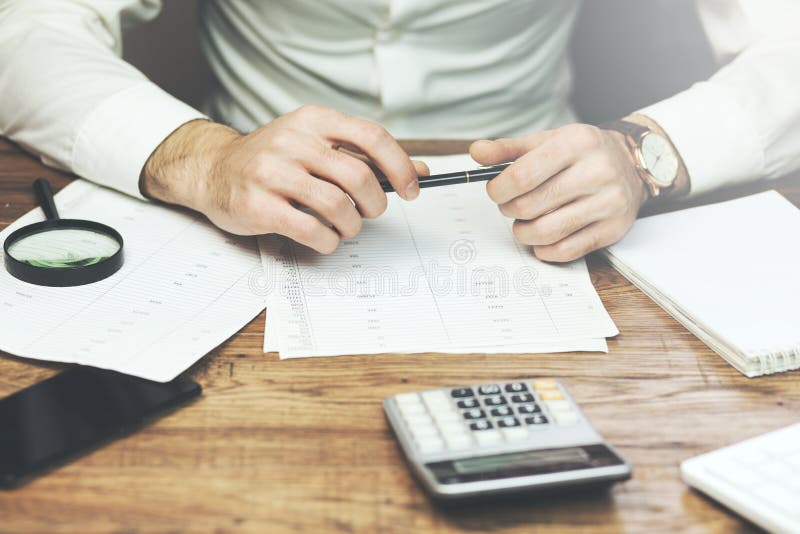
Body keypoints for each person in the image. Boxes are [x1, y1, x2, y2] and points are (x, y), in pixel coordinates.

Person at [1, 1, 798, 261]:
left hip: (558, 225)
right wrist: (205, 161)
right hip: (242, 229)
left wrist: (644, 153)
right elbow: (26, 27)